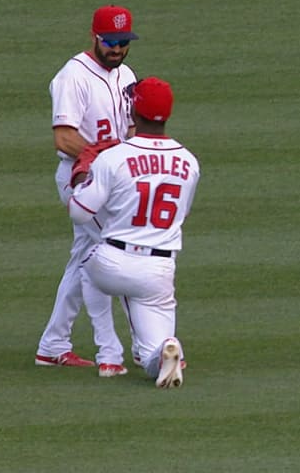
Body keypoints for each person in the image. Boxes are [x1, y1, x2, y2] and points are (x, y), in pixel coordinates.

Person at [68, 76, 200, 388]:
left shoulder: (113, 158)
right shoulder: (189, 162)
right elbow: (183, 212)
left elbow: (79, 211)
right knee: (153, 353)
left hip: (111, 262)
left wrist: (81, 177)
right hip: (159, 270)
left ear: (133, 111)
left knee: (86, 265)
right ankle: (167, 350)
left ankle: (109, 354)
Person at [35, 5, 140, 377]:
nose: (117, 49)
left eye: (123, 42)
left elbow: (130, 128)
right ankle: (118, 350)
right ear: (94, 37)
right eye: (111, 42)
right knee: (113, 252)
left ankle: (52, 346)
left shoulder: (126, 74)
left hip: (112, 181)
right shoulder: (72, 76)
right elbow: (64, 138)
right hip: (80, 181)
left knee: (83, 258)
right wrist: (103, 155)